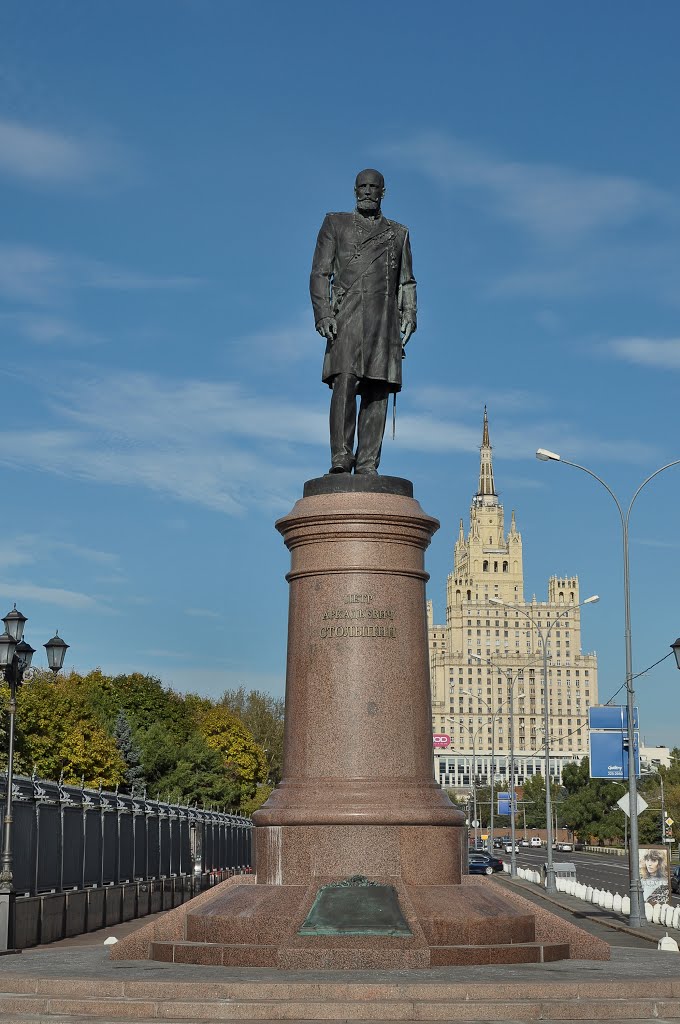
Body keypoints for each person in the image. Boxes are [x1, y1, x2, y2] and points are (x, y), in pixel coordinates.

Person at [310, 169, 417, 475]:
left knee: (377, 389)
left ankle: (368, 462)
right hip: (346, 317)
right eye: (363, 186)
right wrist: (323, 314)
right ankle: (341, 457)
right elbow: (320, 273)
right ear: (355, 190)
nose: (368, 191)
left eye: (373, 187)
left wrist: (409, 313)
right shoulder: (335, 224)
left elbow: (406, 281)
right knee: (345, 382)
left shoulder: (398, 233)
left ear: (383, 192)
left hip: (383, 321)